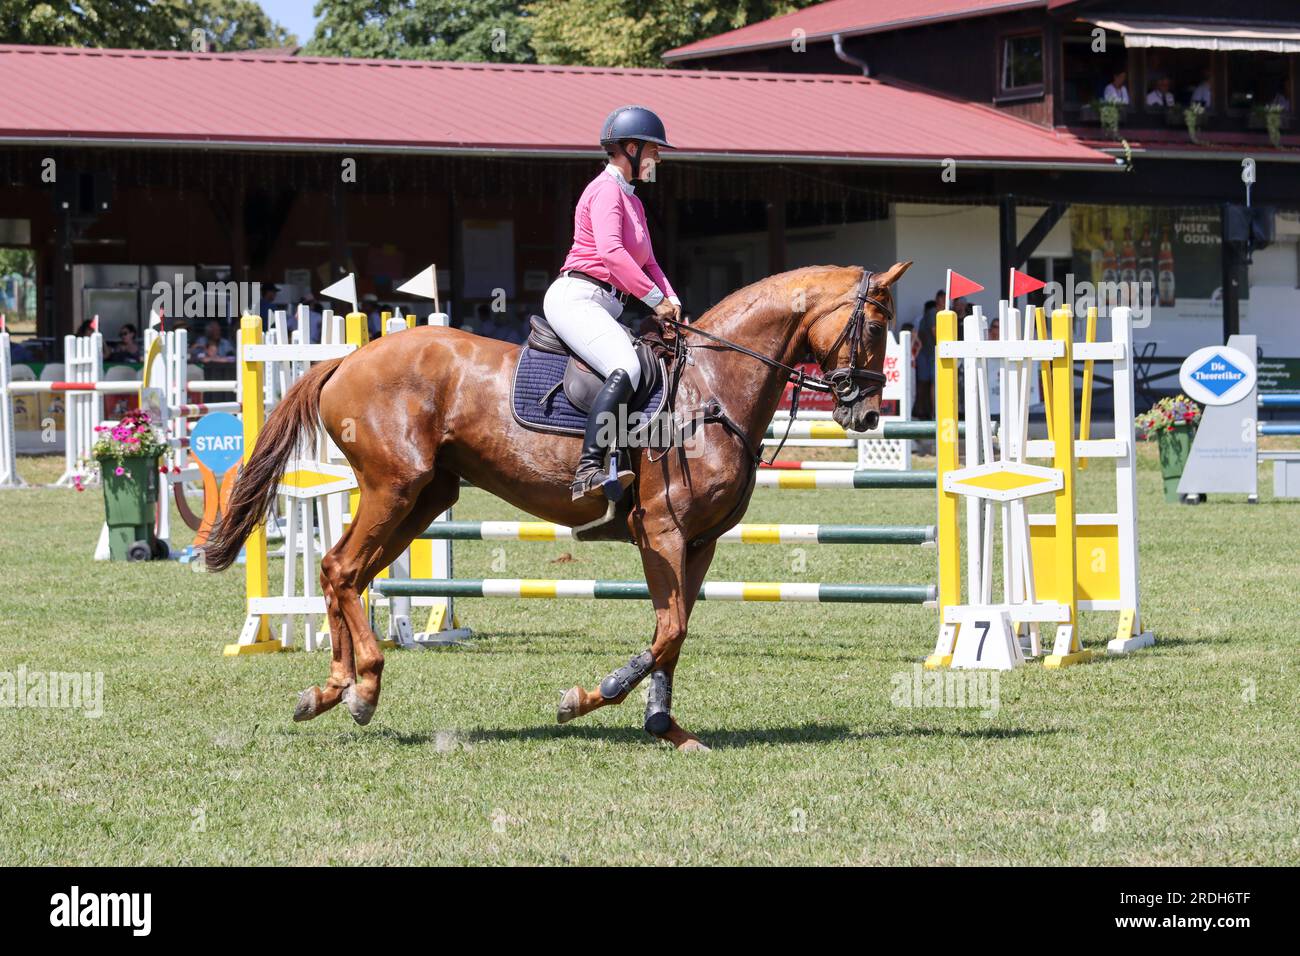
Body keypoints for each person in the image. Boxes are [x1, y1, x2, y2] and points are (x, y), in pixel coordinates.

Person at [543, 105, 681, 500]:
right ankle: (589, 468)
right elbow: (611, 254)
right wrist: (655, 301)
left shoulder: (633, 201)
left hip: (607, 303)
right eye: (655, 149)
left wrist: (671, 299)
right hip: (578, 296)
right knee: (626, 365)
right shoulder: (604, 190)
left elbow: (649, 262)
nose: (659, 157)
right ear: (632, 148)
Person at [913, 291, 941, 421]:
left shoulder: (932, 314)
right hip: (932, 354)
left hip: (928, 354)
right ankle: (932, 413)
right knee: (931, 384)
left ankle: (924, 411)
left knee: (925, 384)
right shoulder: (933, 313)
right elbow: (936, 334)